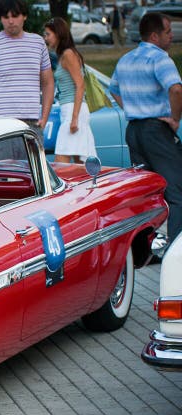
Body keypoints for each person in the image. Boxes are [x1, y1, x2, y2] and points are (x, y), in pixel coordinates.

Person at [110, 12, 182, 244]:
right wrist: (175, 119)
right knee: (177, 193)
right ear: (154, 36)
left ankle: (145, 247)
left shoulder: (125, 59)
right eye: (168, 32)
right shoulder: (160, 58)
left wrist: (132, 108)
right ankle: (176, 250)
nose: (172, 36)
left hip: (133, 131)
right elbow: (176, 89)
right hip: (156, 130)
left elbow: (113, 89)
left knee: (147, 193)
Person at [0, 0, 54, 138]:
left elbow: (48, 83)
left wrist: (44, 117)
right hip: (0, 123)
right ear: (0, 19)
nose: (11, 21)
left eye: (15, 16)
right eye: (6, 17)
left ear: (24, 16)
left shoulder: (38, 43)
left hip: (31, 123)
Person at [43, 18, 97, 163]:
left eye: (48, 34)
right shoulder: (64, 55)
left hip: (74, 110)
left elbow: (80, 85)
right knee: (80, 162)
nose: (45, 38)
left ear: (58, 34)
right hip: (71, 109)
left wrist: (74, 118)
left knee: (61, 161)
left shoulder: (68, 54)